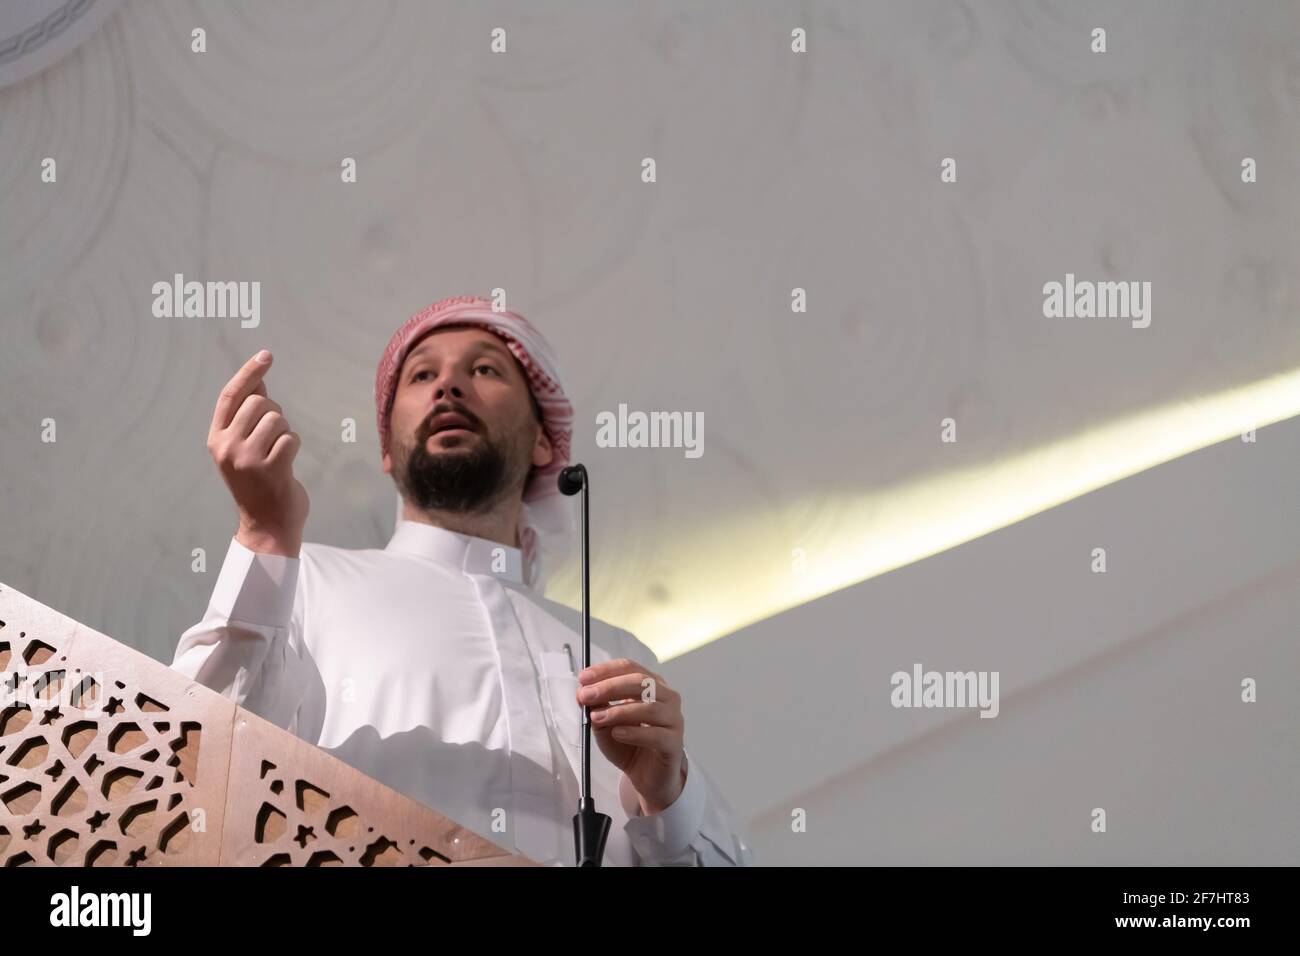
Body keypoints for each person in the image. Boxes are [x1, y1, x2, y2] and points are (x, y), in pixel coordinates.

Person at [171, 295, 753, 866]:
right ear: (388, 453)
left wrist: (667, 797)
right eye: (422, 375)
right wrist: (266, 536)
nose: (449, 386)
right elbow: (193, 767)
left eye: (483, 369)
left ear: (545, 440)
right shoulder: (304, 577)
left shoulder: (620, 652)